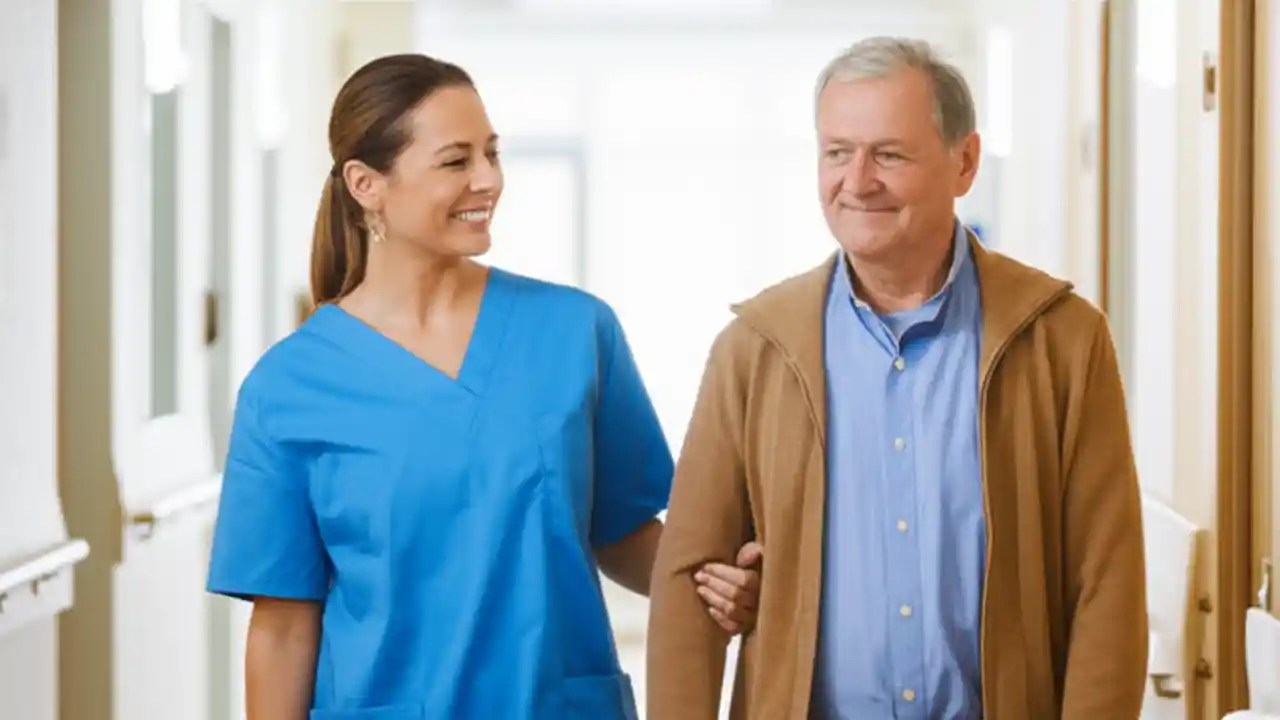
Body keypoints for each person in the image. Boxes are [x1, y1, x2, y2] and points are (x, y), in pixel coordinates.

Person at [205, 53, 762, 720]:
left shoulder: (576, 333)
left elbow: (619, 531)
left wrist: (712, 581)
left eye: (492, 153)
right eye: (456, 160)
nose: (488, 179)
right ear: (366, 184)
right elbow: (283, 625)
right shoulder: (290, 387)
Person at [647, 36, 1147, 719]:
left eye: (888, 154)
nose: (857, 182)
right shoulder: (755, 349)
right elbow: (690, 583)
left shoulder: (1061, 340)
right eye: (837, 152)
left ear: (964, 162)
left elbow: (1107, 585)